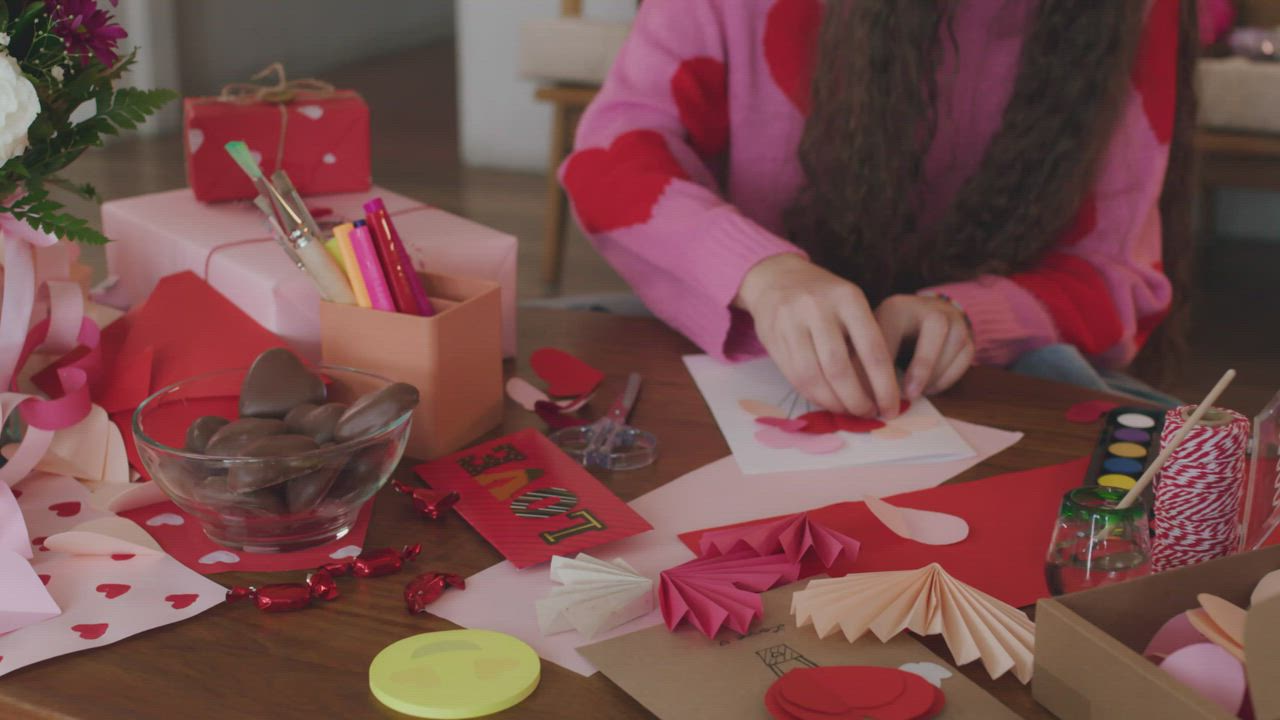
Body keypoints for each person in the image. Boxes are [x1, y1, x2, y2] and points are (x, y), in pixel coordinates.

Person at [560, 0, 1196, 417]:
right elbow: (613, 161)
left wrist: (967, 315)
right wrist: (763, 274)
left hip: (984, 378)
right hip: (743, 336)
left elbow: (1115, 278)